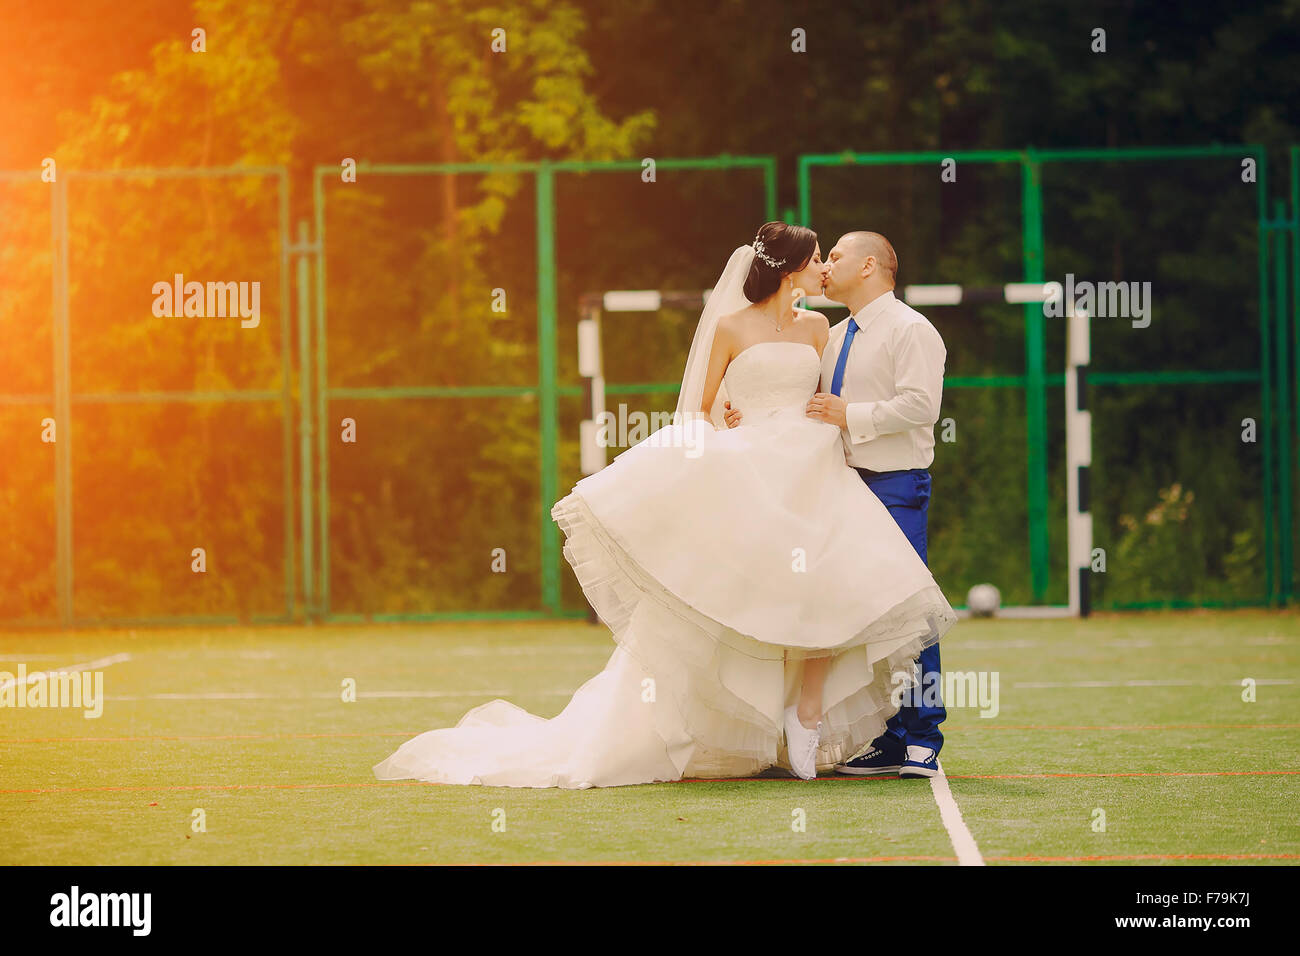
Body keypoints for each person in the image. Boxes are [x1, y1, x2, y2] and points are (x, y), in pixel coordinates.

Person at [373, 222, 957, 788]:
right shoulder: (744, 326)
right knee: (745, 592)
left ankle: (849, 726)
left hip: (823, 469)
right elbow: (706, 405)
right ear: (788, 268)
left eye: (832, 257)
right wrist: (732, 413)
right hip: (760, 469)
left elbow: (837, 398)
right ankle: (740, 724)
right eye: (816, 258)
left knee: (849, 593)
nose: (824, 267)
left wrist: (833, 417)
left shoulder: (824, 330)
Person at [726, 230, 949, 779]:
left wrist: (852, 415)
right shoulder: (832, 332)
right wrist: (743, 413)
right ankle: (891, 736)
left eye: (837, 256)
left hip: (895, 481)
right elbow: (801, 402)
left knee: (907, 609)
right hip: (838, 482)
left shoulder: (911, 329)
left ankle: (924, 735)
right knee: (851, 610)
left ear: (869, 265)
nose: (825, 266)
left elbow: (921, 406)